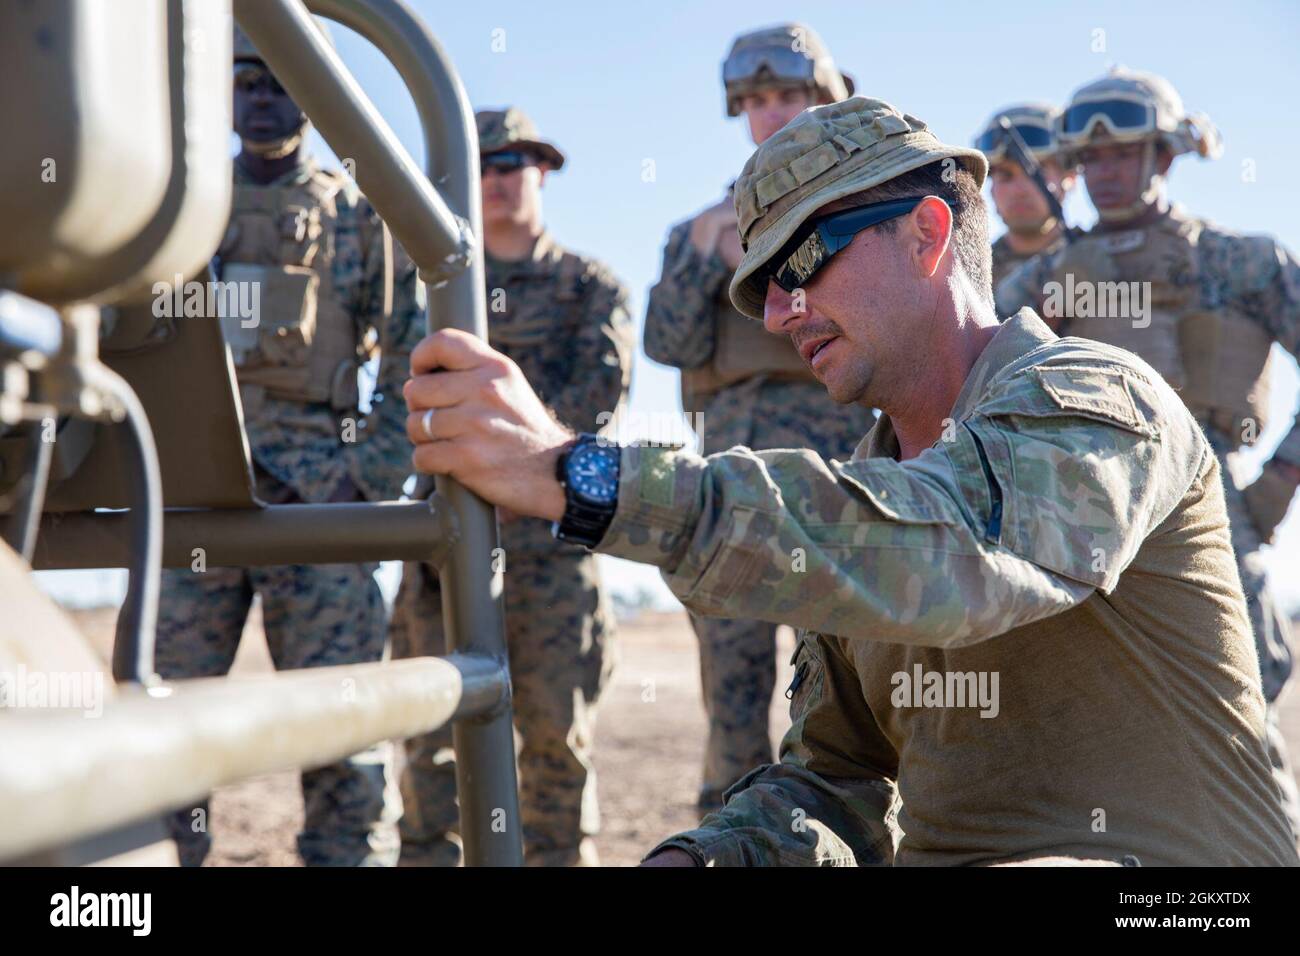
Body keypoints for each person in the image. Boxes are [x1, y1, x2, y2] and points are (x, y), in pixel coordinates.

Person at [400, 96, 1300, 866]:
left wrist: (584, 477)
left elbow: (960, 554)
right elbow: (838, 781)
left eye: (801, 262)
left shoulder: (1096, 397)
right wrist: (705, 855)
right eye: (761, 292)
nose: (784, 313)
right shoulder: (869, 491)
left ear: (926, 232)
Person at [996, 68, 1300, 840]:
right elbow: (968, 378)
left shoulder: (1240, 262)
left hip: (1217, 519)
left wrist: (1283, 478)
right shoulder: (1047, 277)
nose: (1105, 173)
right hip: (1084, 525)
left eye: (1125, 155)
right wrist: (1046, 315)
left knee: (1241, 728)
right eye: (1091, 160)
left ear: (1165, 157)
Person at [152, 25, 424, 866]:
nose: (263, 95)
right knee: (163, 725)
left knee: (342, 729)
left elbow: (415, 342)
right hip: (195, 493)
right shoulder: (177, 206)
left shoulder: (361, 212)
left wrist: (367, 475)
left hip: (319, 502)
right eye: (245, 78)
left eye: (280, 77)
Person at [388, 107, 634, 867]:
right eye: (483, 166)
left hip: (552, 551)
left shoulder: (587, 285)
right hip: (447, 544)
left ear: (542, 172)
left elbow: (591, 409)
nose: (497, 180)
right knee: (429, 743)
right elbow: (404, 397)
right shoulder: (429, 291)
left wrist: (487, 437)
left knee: (556, 744)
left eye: (512, 163)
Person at [644, 22, 874, 811]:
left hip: (842, 499)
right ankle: (729, 840)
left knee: (859, 707)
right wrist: (705, 259)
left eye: (790, 95)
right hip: (735, 501)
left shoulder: (863, 221)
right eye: (758, 100)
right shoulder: (703, 230)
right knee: (733, 712)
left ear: (825, 100)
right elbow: (666, 343)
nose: (772, 113)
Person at [971, 103, 1076, 286]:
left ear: (1069, 178)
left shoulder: (1099, 258)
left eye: (1035, 172)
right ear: (990, 188)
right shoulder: (969, 272)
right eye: (1006, 175)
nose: (1020, 190)